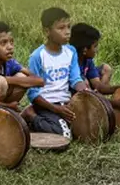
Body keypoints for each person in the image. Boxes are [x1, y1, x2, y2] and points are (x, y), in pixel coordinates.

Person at [26, 7, 92, 137]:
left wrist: (85, 91)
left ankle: (55, 122)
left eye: (68, 27)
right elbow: (33, 94)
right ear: (47, 31)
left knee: (87, 129)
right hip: (46, 105)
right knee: (64, 134)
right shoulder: (38, 56)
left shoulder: (71, 51)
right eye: (61, 28)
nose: (67, 32)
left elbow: (75, 79)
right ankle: (31, 116)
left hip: (67, 103)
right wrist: (56, 109)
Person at [69, 23, 120, 115]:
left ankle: (101, 98)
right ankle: (102, 102)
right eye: (95, 46)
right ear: (85, 50)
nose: (97, 50)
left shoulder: (87, 60)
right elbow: (87, 94)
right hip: (73, 95)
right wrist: (116, 104)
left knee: (106, 69)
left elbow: (98, 85)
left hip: (87, 90)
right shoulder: (71, 63)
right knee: (85, 82)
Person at [0, 21, 43, 109]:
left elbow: (40, 81)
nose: (10, 47)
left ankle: (3, 113)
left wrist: (7, 79)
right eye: (3, 43)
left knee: (21, 76)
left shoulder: (9, 62)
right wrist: (9, 106)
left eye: (11, 42)